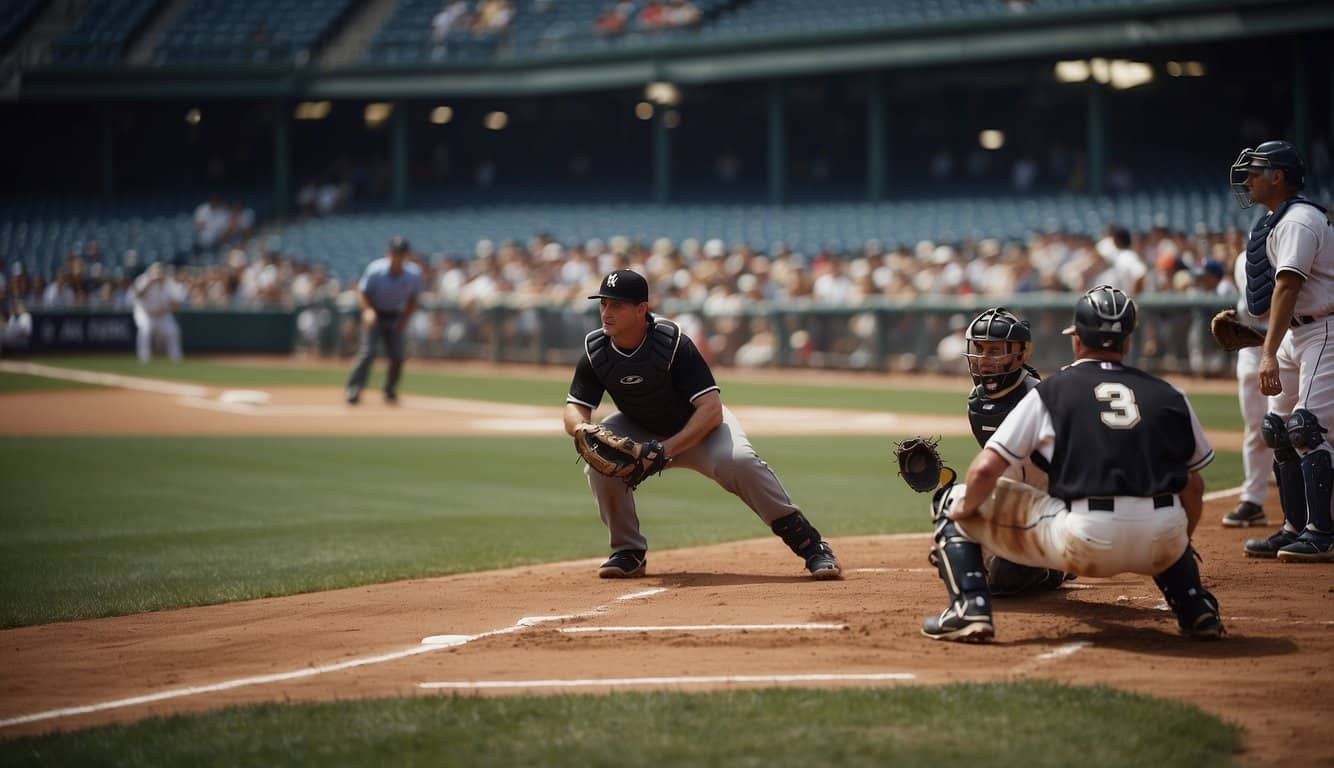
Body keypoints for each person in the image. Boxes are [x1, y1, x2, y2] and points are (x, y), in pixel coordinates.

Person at [919, 285, 1222, 642]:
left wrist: (963, 512)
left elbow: (985, 470)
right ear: (1127, 342)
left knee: (952, 501)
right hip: (1161, 543)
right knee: (1165, 514)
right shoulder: (1170, 394)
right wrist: (1179, 545)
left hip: (1086, 537)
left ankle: (969, 611)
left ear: (1076, 340)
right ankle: (1194, 605)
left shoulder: (1049, 392)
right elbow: (1194, 485)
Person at [562, 268, 841, 580]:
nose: (606, 312)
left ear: (641, 309)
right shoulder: (596, 348)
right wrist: (582, 428)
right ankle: (628, 551)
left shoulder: (672, 343)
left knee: (739, 462)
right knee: (601, 462)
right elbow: (575, 408)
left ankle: (812, 546)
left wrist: (665, 449)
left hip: (699, 429)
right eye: (603, 304)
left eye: (617, 305)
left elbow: (711, 410)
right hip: (640, 426)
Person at [1231, 140, 1334, 561]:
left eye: (1255, 170)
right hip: (1294, 335)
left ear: (1278, 177)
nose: (1247, 178)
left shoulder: (1300, 220)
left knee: (1308, 429)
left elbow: (1289, 285)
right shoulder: (1276, 220)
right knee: (1276, 429)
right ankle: (1294, 526)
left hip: (1322, 330)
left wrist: (1267, 352)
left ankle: (1322, 533)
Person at [959, 307, 1072, 595]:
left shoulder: (1038, 398)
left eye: (995, 350)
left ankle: (1057, 566)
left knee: (1006, 579)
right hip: (1010, 502)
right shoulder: (976, 401)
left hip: (1050, 509)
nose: (985, 360)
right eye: (980, 349)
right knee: (959, 559)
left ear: (1021, 354)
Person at [1222, 253, 1273, 527]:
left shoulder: (1298, 244)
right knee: (1256, 425)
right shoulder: (1242, 258)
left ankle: (1313, 504)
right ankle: (1253, 500)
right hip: (1251, 342)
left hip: (1292, 335)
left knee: (1301, 421)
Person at [344, 236, 423, 405]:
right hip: (374, 314)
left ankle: (390, 390)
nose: (397, 256)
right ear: (389, 253)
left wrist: (404, 321)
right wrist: (367, 311)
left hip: (394, 315)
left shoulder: (413, 274)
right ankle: (354, 389)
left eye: (401, 253)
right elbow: (362, 292)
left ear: (406, 255)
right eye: (395, 253)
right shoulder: (376, 269)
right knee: (368, 353)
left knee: (397, 355)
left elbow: (413, 299)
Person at [131, 262, 185, 364]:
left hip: (163, 315)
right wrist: (150, 282)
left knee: (173, 332)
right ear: (150, 272)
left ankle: (176, 359)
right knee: (145, 330)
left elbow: (177, 302)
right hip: (145, 313)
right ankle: (144, 359)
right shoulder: (143, 279)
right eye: (156, 271)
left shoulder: (169, 283)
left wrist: (172, 304)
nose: (158, 274)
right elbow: (137, 294)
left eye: (160, 271)